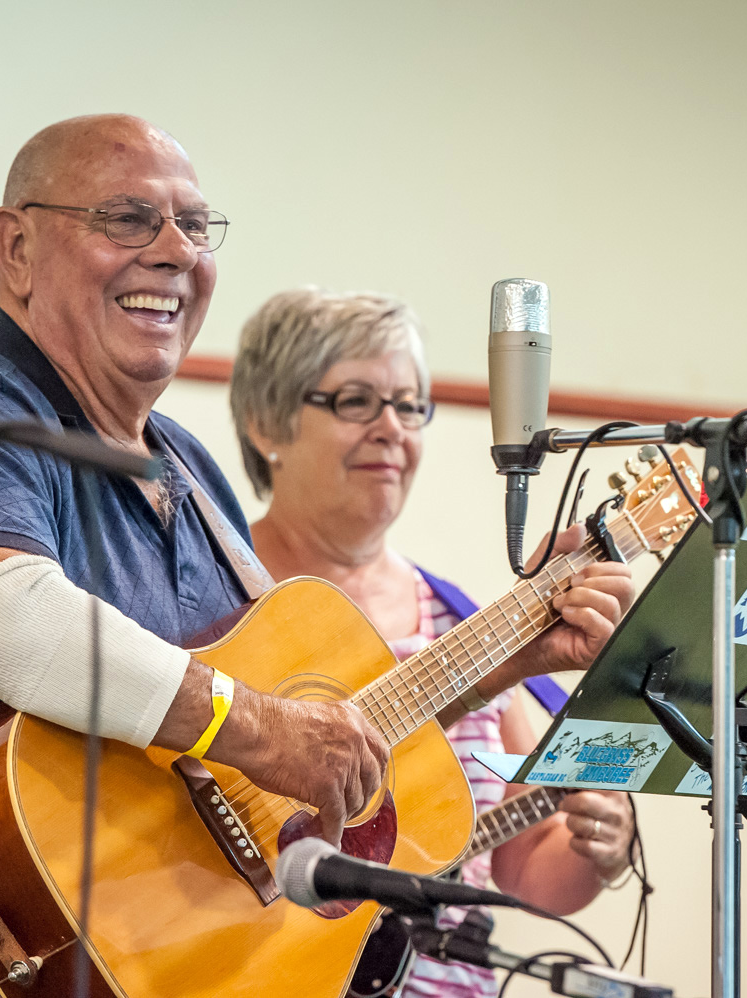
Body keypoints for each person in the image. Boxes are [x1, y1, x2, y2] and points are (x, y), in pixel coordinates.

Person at [0, 114, 628, 998]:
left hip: (117, 964)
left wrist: (501, 660)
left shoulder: (185, 465)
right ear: (14, 248)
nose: (175, 251)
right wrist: (255, 726)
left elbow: (292, 754)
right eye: (129, 219)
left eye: (193, 225)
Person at [230, 288, 638, 997]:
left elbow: (521, 869)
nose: (393, 428)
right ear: (269, 420)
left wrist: (597, 846)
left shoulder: (464, 625)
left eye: (410, 404)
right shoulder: (221, 599)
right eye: (357, 400)